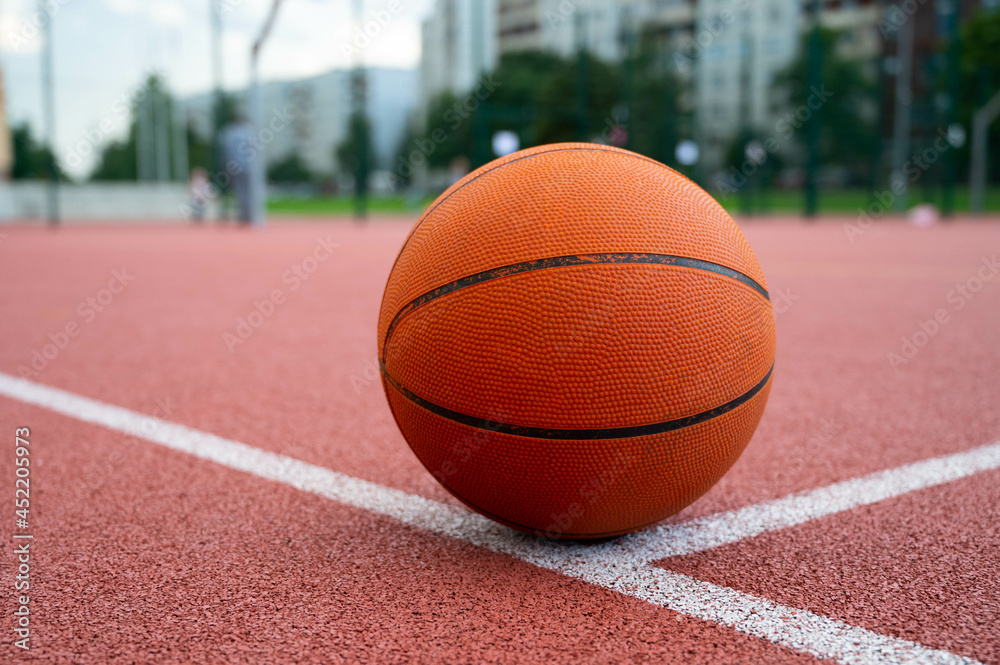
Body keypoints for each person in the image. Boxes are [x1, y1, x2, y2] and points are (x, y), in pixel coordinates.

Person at [219, 112, 254, 224]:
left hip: (234, 166)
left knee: (236, 191)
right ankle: (246, 214)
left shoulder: (228, 133)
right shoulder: (248, 131)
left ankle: (230, 214)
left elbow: (226, 151)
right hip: (248, 166)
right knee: (247, 191)